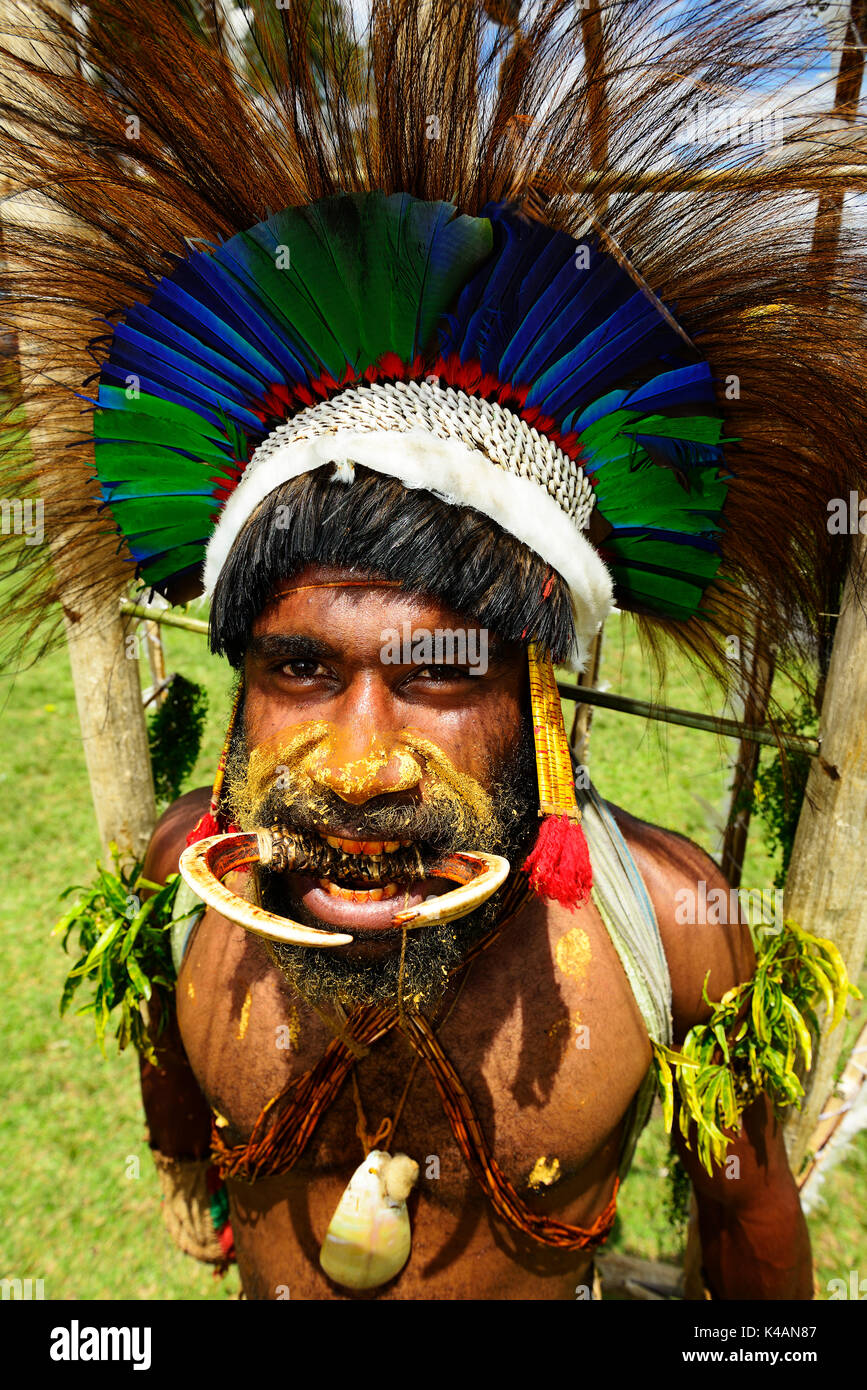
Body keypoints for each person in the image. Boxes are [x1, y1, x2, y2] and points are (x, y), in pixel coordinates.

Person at [3, 0, 865, 1300]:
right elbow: (174, 1090)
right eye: (300, 668)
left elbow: (747, 1235)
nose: (357, 765)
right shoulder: (187, 876)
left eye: (439, 673)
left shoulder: (676, 931)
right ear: (240, 690)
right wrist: (190, 1158)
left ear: (541, 696)